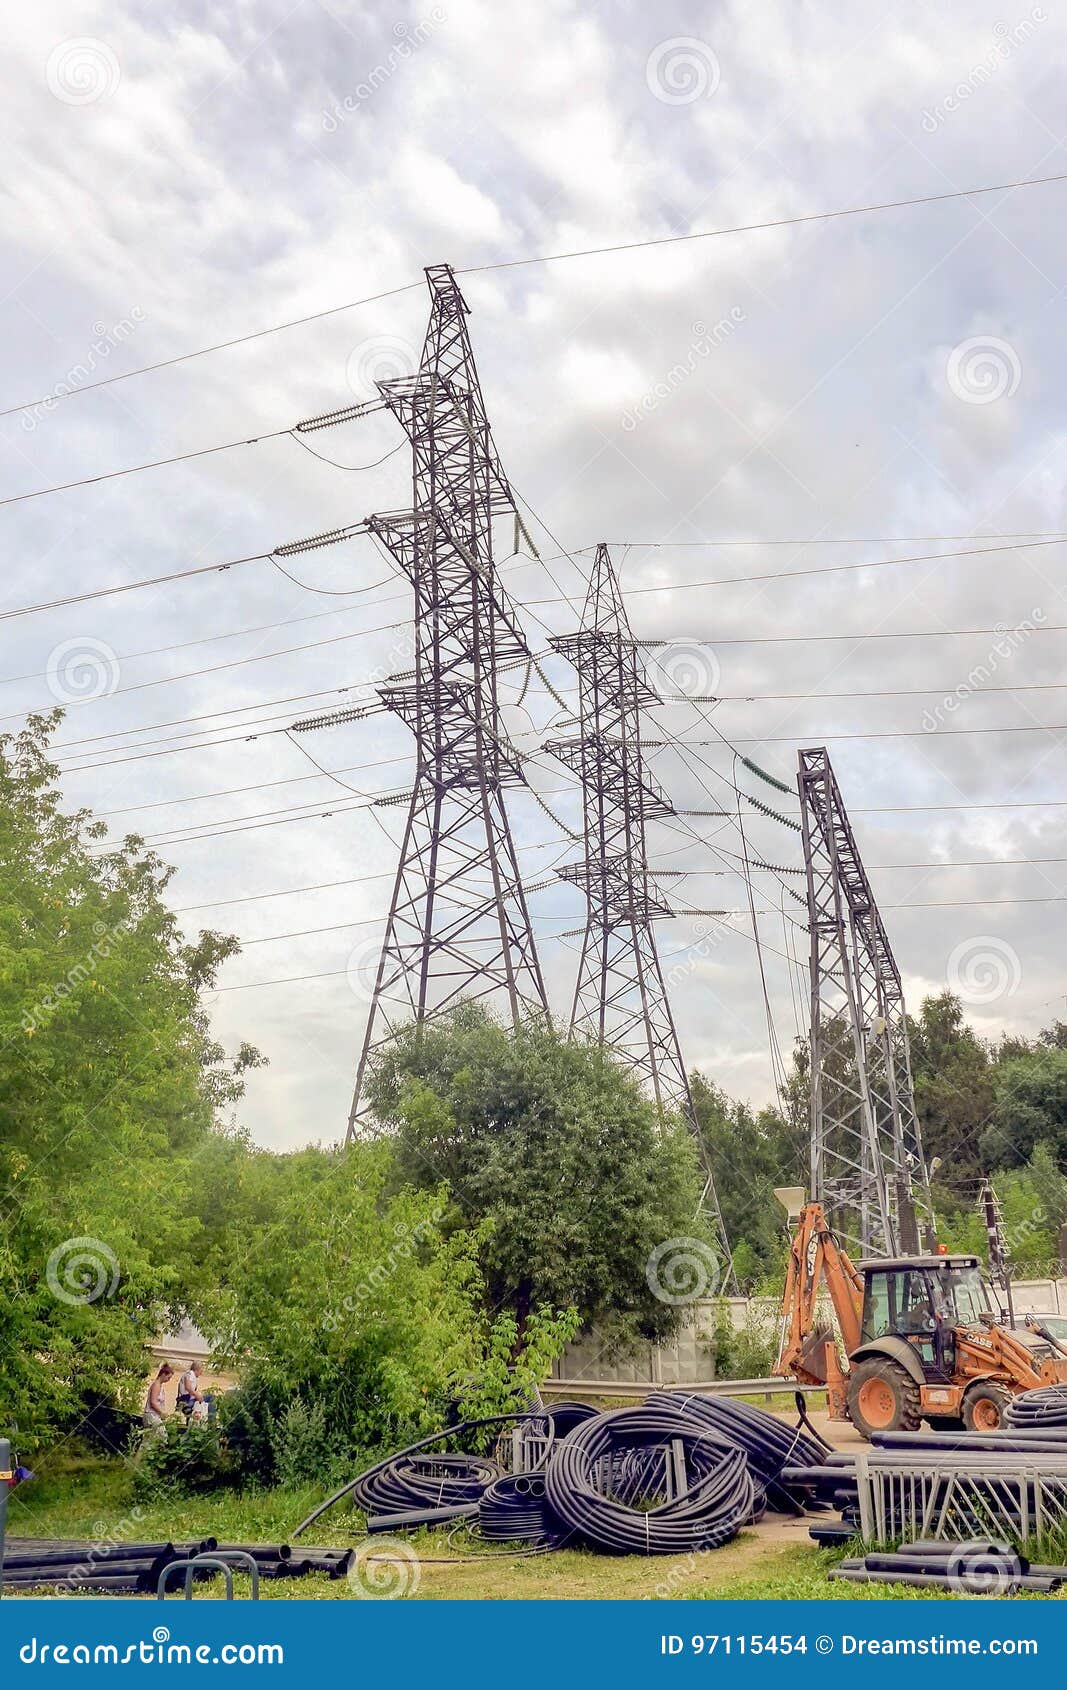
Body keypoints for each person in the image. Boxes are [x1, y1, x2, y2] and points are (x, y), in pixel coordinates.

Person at [143, 1362, 173, 1437]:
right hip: (152, 1415)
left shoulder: (159, 1385)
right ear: (163, 1374)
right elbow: (153, 1402)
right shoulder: (156, 1385)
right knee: (162, 1436)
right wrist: (162, 1412)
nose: (168, 1380)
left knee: (150, 1438)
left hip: (155, 1416)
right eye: (168, 1378)